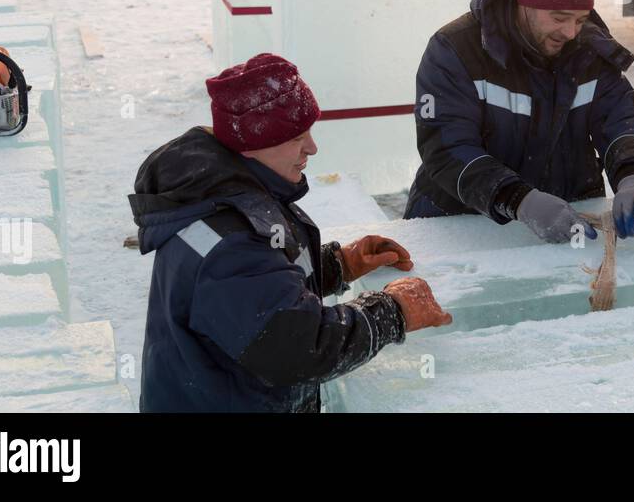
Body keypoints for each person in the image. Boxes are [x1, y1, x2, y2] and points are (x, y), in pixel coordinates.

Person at [130, 53, 452, 412]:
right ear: (256, 143)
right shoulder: (230, 241)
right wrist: (392, 311)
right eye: (298, 136)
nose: (312, 148)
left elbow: (259, 288)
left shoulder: (230, 189)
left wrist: (338, 264)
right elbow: (298, 348)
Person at [405, 0, 634, 241]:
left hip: (568, 221)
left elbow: (619, 120)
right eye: (559, 18)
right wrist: (519, 200)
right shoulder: (455, 50)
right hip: (461, 223)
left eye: (580, 20)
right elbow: (446, 148)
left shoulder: (591, 51)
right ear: (525, 4)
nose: (569, 32)